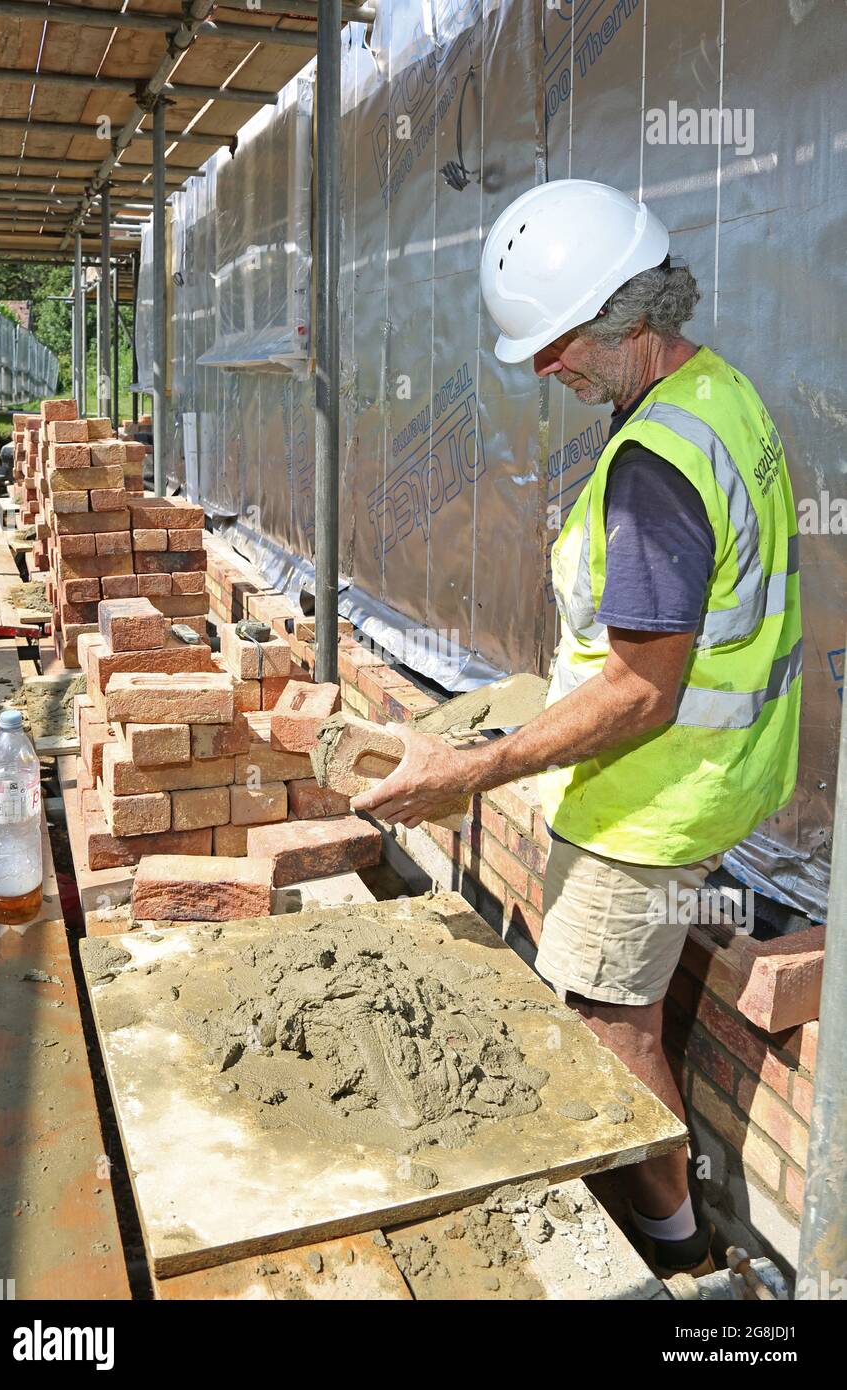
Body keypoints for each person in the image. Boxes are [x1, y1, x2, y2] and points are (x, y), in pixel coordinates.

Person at [352, 179, 802, 1278]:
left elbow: (642, 690)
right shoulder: (713, 393)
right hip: (721, 768)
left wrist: (476, 770)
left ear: (627, 322)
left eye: (559, 349)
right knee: (617, 1005)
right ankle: (664, 1224)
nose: (549, 371)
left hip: (648, 802)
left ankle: (676, 1249)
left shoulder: (652, 470)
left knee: (610, 1021)